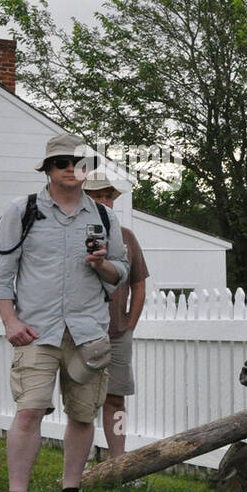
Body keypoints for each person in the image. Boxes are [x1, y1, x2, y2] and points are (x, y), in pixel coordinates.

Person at [0, 133, 130, 492]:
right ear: (48, 169)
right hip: (36, 330)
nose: (72, 168)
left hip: (88, 331)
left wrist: (102, 265)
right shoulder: (23, 210)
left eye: (79, 162)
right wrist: (10, 322)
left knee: (83, 414)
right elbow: (0, 275)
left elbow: (120, 273)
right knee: (29, 410)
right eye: (62, 162)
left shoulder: (104, 217)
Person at [83, 171, 149, 476]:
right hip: (82, 332)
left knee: (116, 398)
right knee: (81, 401)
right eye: (98, 195)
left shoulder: (126, 237)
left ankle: (116, 464)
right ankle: (78, 468)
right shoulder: (74, 234)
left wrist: (130, 322)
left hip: (118, 333)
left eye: (109, 195)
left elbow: (139, 284)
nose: (105, 201)